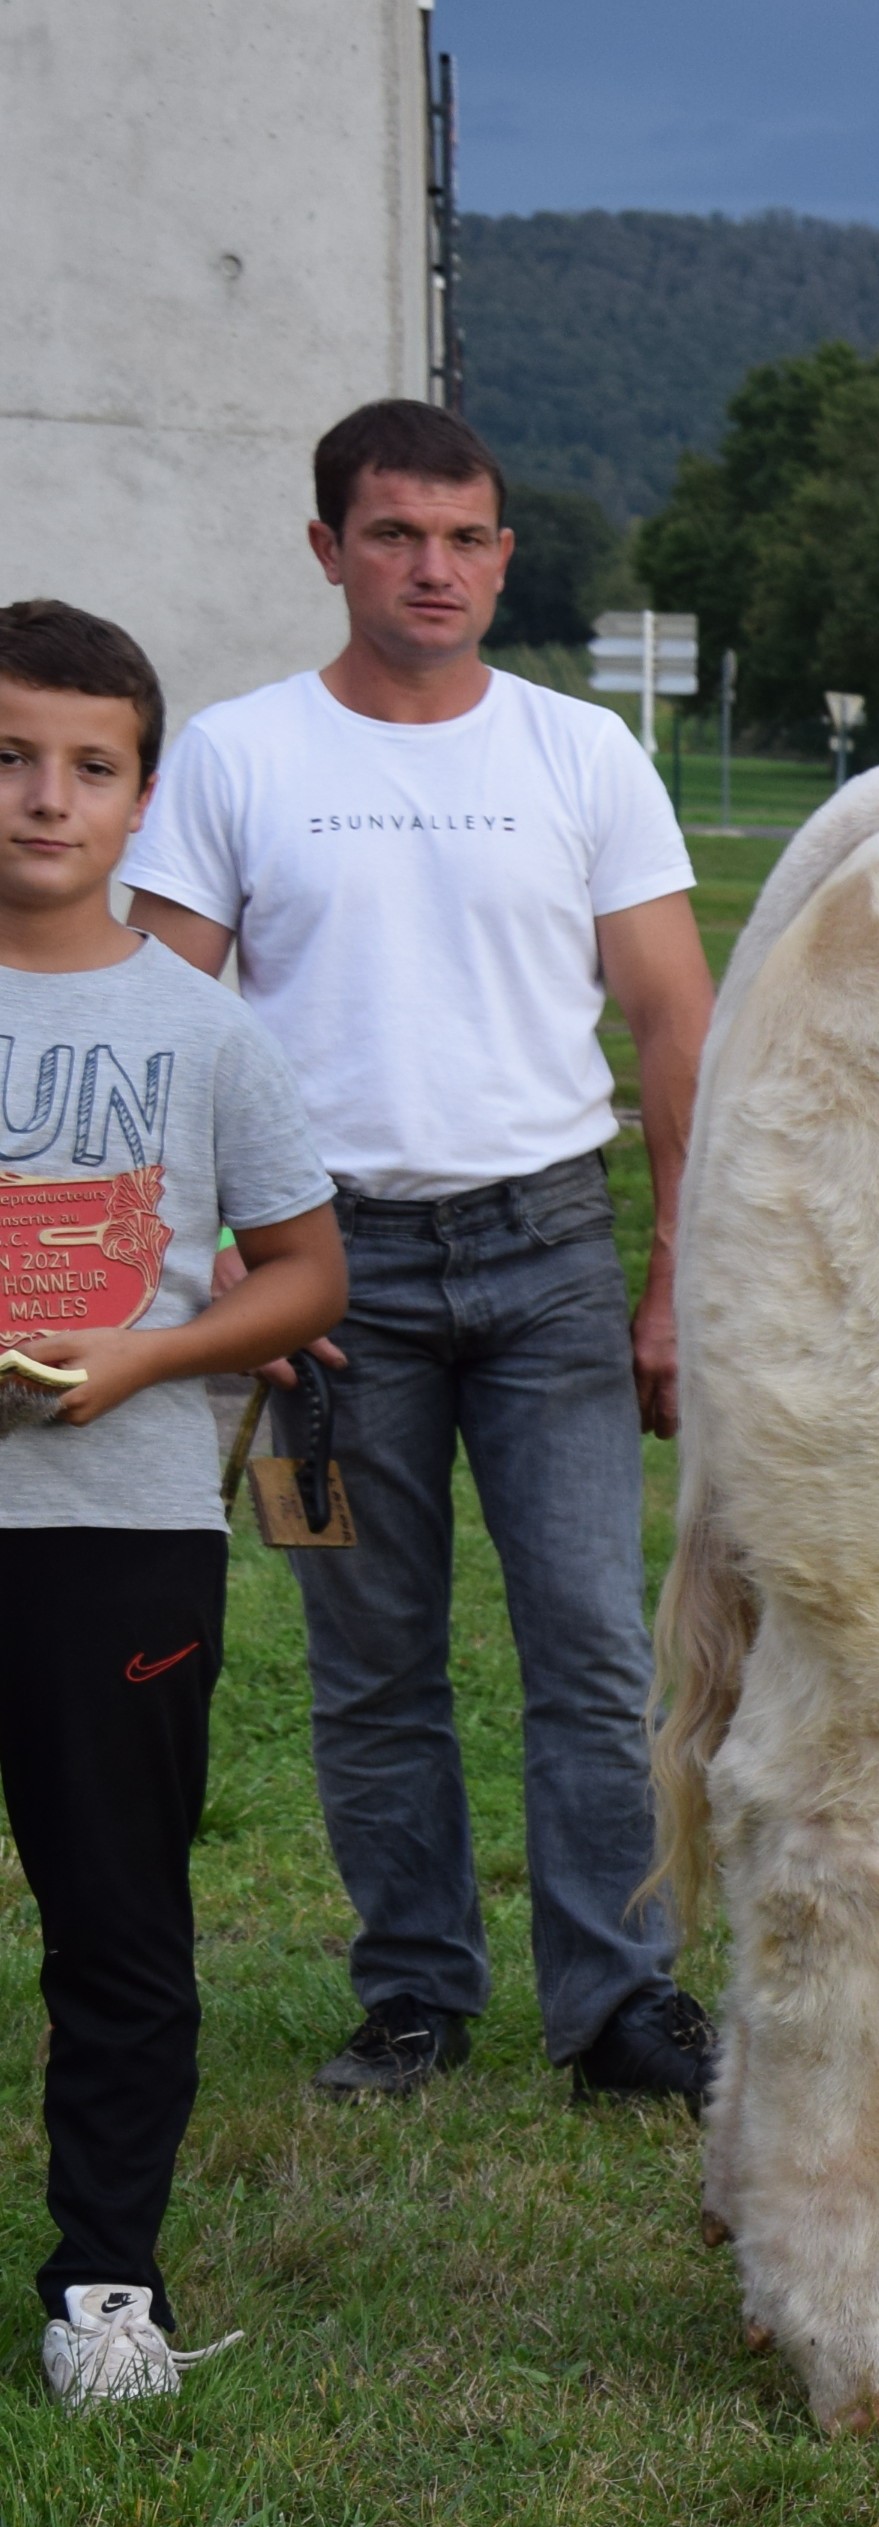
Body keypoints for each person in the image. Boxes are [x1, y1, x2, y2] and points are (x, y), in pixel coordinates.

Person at [119, 401, 722, 2103]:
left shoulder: (579, 753)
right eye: (394, 534)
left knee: (591, 1651)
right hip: (324, 1279)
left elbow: (674, 1027)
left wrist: (674, 1280)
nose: (432, 569)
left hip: (547, 1255)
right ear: (330, 549)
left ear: (504, 558)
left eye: (464, 539)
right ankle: (413, 1995)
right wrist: (225, 1273)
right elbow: (163, 1027)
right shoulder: (240, 756)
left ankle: (619, 2007)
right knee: (370, 1663)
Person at [0, 603, 347, 2403]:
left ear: (143, 798)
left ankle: (104, 2290)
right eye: (8, 757)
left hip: (117, 1536)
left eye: (90, 766)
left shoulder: (205, 1032)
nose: (44, 798)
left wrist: (146, 1356)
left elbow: (305, 1274)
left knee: (118, 1921)